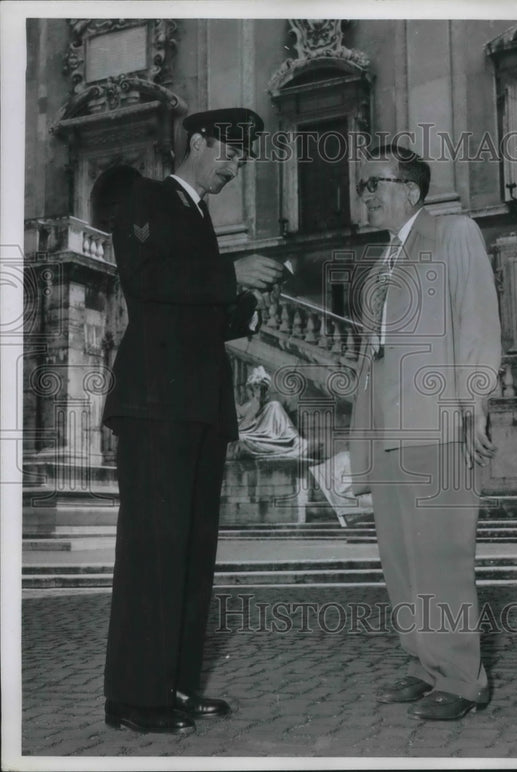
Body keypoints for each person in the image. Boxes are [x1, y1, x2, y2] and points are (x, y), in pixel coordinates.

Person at [102, 108, 284, 734]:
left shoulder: (200, 216)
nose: (235, 167)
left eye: (243, 158)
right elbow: (146, 280)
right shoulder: (143, 198)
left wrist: (242, 310)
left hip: (198, 409)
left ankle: (175, 685)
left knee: (191, 552)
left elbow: (191, 312)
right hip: (155, 408)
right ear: (198, 143)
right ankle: (133, 697)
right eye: (229, 153)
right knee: (153, 552)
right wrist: (228, 275)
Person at [349, 142, 501, 721]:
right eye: (363, 186)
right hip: (386, 425)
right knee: (402, 556)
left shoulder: (455, 233)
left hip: (436, 421)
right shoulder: (384, 257)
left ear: (409, 190)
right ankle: (423, 662)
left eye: (374, 184)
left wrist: (476, 401)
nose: (365, 195)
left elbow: (477, 316)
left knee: (440, 553)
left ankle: (463, 677)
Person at [231, 366, 309, 459]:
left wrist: (297, 441)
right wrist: (253, 410)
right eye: (256, 387)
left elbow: (291, 433)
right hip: (250, 437)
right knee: (240, 440)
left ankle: (283, 451)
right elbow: (239, 428)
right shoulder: (246, 407)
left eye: (263, 389)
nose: (259, 392)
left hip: (271, 440)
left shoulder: (273, 407)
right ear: (250, 390)